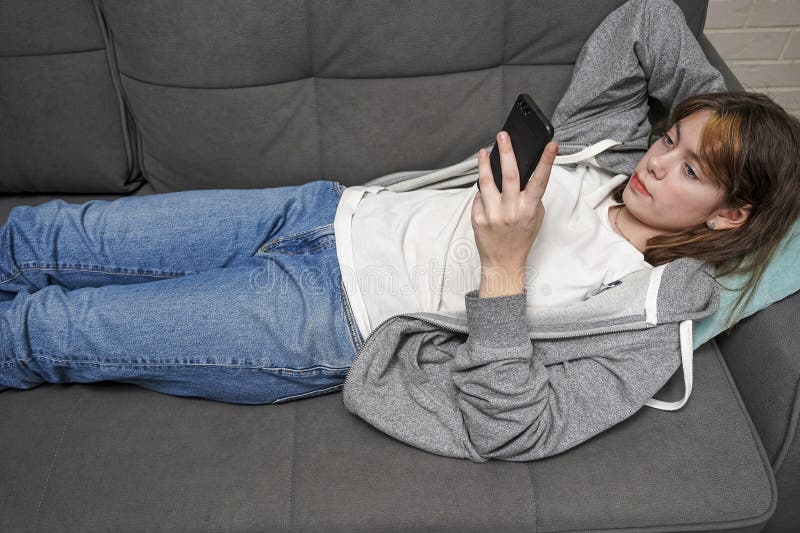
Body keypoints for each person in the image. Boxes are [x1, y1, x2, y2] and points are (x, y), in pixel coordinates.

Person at [0, 90, 798, 408]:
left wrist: (505, 264)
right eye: (668, 139)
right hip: (321, 210)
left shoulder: (644, 313)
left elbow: (516, 419)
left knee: (54, 330)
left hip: (321, 319)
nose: (657, 163)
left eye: (692, 169)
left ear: (730, 217)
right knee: (49, 235)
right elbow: (648, 18)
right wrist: (734, 123)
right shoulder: (607, 156)